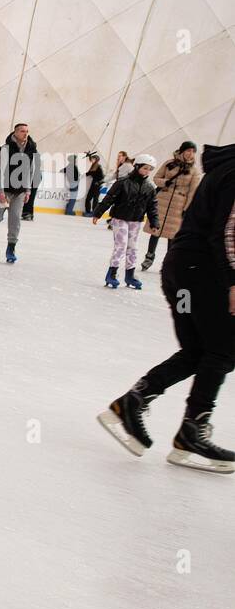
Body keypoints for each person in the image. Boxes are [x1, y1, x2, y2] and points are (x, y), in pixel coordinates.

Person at [97, 142, 235, 475]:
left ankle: (133, 403)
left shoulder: (223, 168)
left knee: (199, 349)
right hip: (201, 274)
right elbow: (228, 231)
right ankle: (192, 429)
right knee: (225, 349)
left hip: (182, 271)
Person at [91, 154, 158, 289]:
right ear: (137, 166)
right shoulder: (123, 182)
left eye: (150, 169)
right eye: (145, 168)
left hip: (136, 221)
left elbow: (152, 206)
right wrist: (98, 213)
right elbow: (109, 198)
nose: (147, 171)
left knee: (133, 248)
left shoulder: (150, 187)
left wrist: (154, 222)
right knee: (121, 246)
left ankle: (130, 275)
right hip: (120, 218)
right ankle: (112, 273)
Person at [0, 123, 38, 263]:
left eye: (27, 131)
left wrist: (28, 190)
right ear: (15, 133)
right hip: (4, 191)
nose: (25, 134)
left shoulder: (31, 149)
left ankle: (11, 249)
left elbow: (30, 171)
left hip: (20, 192)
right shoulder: (5, 149)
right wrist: (0, 191)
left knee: (15, 220)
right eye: (22, 131)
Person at [144, 141, 201, 271]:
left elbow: (192, 192)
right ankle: (149, 256)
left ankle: (167, 262)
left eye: (193, 151)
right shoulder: (169, 163)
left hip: (178, 206)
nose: (190, 153)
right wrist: (165, 182)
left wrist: (186, 209)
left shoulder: (194, 171)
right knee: (155, 231)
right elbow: (156, 178)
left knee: (173, 236)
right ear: (182, 151)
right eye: (188, 150)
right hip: (162, 200)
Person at [83, 151, 105, 217]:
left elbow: (101, 176)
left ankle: (92, 212)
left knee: (93, 199)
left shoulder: (97, 166)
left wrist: (98, 182)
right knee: (91, 198)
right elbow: (90, 173)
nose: (91, 160)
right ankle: (90, 212)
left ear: (96, 160)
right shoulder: (94, 166)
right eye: (92, 159)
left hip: (97, 184)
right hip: (96, 183)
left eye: (93, 159)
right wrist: (89, 155)